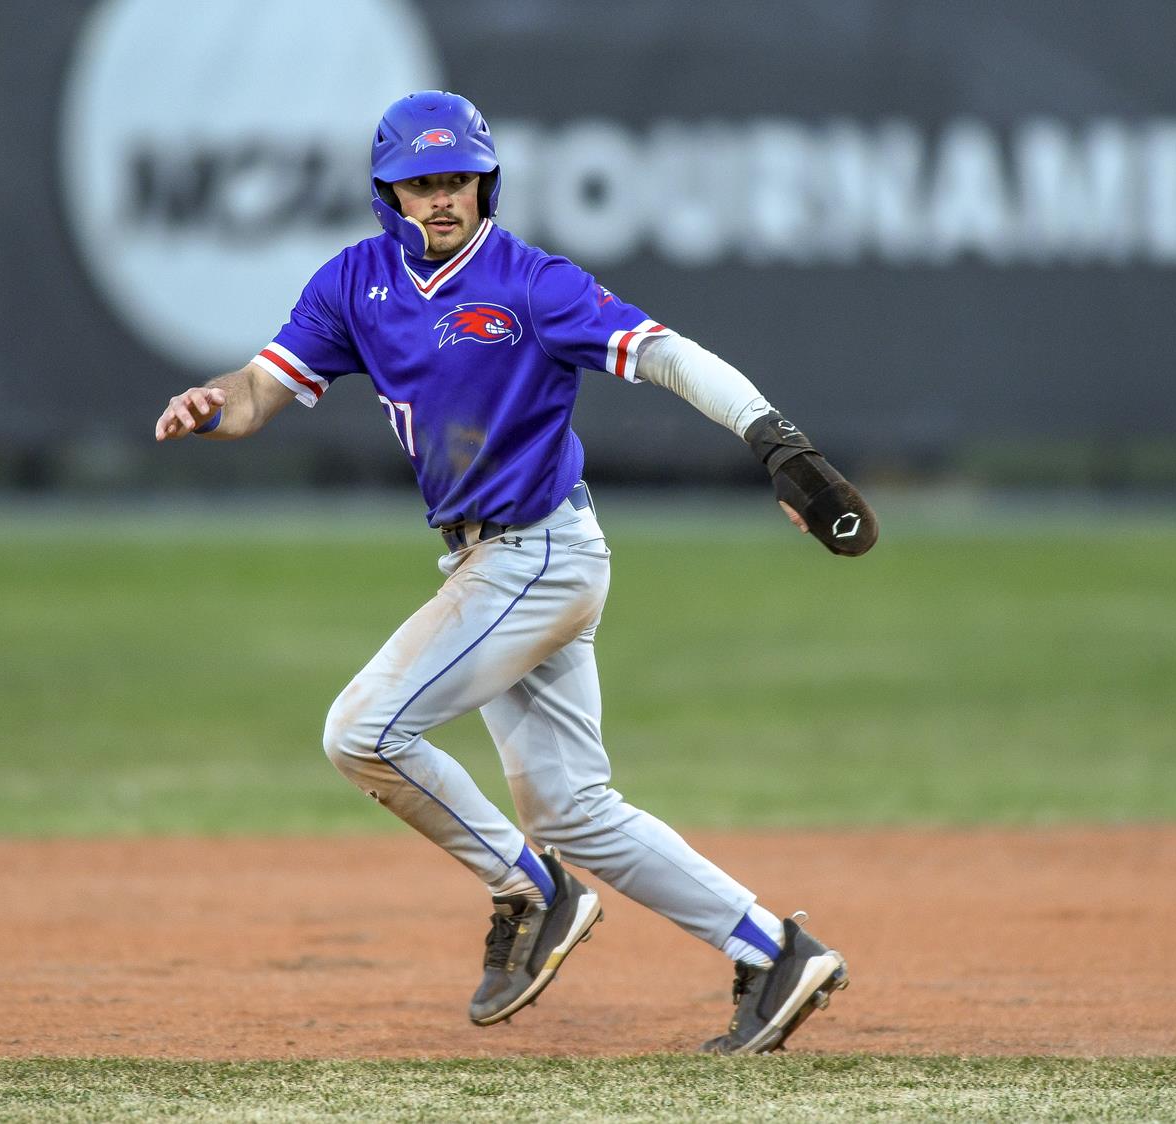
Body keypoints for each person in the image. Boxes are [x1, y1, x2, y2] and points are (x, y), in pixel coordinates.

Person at [154, 91, 876, 1054]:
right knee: (571, 807)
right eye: (421, 183)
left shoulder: (529, 283)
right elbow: (257, 395)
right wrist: (214, 401)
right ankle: (775, 951)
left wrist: (775, 440)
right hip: (483, 558)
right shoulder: (354, 285)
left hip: (537, 555)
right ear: (388, 194)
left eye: (457, 179)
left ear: (484, 181)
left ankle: (531, 890)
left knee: (361, 731)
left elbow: (665, 355)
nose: (441, 198)